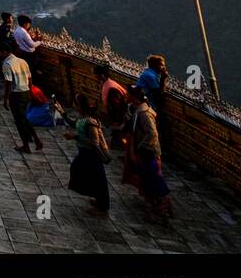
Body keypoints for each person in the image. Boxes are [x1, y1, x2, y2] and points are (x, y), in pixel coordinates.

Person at [122, 87, 172, 218]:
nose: (126, 96)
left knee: (152, 178)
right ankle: (154, 203)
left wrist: (140, 147)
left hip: (148, 152)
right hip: (142, 150)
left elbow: (152, 133)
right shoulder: (136, 110)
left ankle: (161, 204)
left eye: (128, 94)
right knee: (146, 178)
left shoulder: (144, 114)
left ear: (134, 97)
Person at [65, 94, 111, 216]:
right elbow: (74, 124)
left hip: (92, 154)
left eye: (75, 103)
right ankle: (98, 199)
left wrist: (75, 136)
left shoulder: (90, 122)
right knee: (79, 171)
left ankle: (103, 207)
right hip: (84, 152)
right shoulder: (82, 118)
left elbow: (94, 142)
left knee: (98, 178)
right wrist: (61, 111)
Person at [3, 43, 42, 153]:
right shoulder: (23, 61)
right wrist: (30, 92)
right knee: (24, 118)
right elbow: (30, 78)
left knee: (19, 121)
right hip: (26, 93)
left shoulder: (7, 63)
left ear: (4, 52)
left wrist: (6, 98)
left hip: (16, 95)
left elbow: (8, 83)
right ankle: (36, 139)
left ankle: (26, 145)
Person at [13, 14, 41, 78]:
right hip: (28, 54)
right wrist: (39, 42)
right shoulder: (23, 32)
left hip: (21, 52)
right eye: (28, 24)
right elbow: (32, 45)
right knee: (30, 70)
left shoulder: (16, 30)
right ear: (25, 24)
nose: (29, 26)